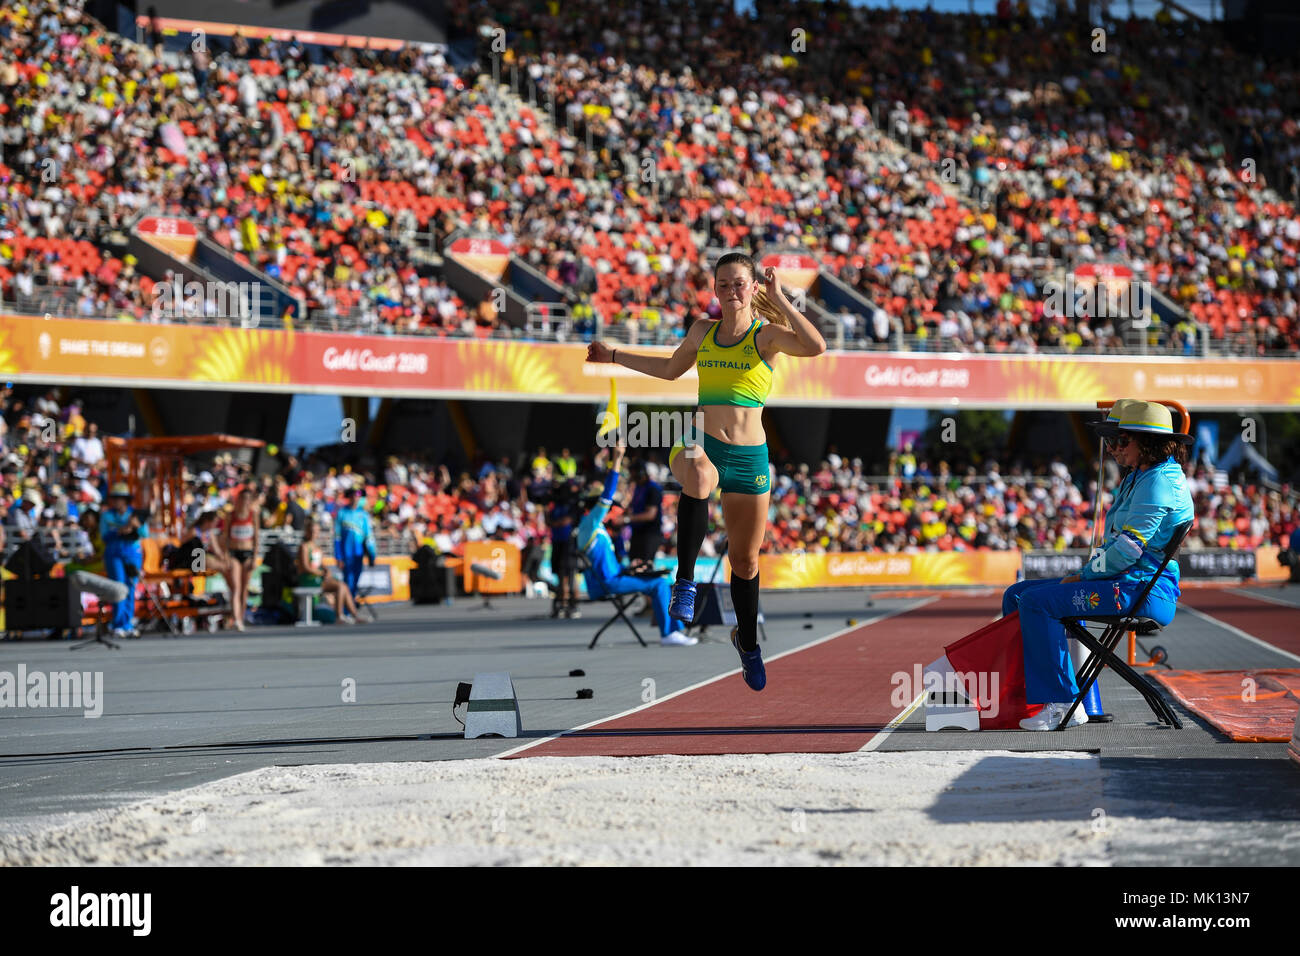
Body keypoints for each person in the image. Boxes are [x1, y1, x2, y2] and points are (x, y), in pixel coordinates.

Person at [586, 252, 825, 689]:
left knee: (745, 560)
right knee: (697, 475)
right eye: (724, 284)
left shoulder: (768, 335)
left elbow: (815, 346)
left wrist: (782, 299)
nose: (731, 291)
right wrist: (615, 354)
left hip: (749, 459)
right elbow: (670, 369)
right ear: (714, 289)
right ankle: (685, 582)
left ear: (754, 288)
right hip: (701, 442)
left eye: (740, 284)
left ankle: (748, 643)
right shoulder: (703, 331)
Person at [1001, 401, 1194, 730]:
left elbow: (1128, 548)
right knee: (1016, 594)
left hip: (1139, 591)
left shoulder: (1159, 481)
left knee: (1035, 602)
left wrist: (1083, 575)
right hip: (1126, 583)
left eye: (1121, 441)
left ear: (1147, 443)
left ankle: (1062, 704)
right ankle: (1025, 695)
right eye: (1110, 441)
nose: (1113, 448)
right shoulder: (1142, 475)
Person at [575, 445, 697, 647]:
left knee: (659, 578)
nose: (608, 507)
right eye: (602, 505)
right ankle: (668, 634)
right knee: (658, 585)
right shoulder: (589, 525)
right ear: (593, 505)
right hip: (605, 584)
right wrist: (617, 458)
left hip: (612, 577)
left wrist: (631, 569)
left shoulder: (595, 528)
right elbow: (607, 493)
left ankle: (674, 631)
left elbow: (607, 566)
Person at [100, 483, 148, 639]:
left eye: (120, 499)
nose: (117, 502)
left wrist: (135, 526)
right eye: (115, 499)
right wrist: (119, 531)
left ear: (126, 500)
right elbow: (104, 536)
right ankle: (118, 623)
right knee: (118, 587)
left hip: (132, 554)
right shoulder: (107, 516)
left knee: (130, 587)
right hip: (114, 553)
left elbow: (144, 533)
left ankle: (127, 623)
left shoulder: (134, 514)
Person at [188, 511, 245, 630]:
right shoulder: (194, 531)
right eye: (214, 522)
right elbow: (186, 549)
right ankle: (234, 593)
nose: (216, 525)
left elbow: (217, 551)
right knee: (217, 563)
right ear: (208, 521)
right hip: (195, 560)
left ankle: (234, 595)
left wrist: (226, 560)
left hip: (206, 559)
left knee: (230, 567)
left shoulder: (210, 533)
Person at [297, 517, 359, 623]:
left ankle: (354, 615)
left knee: (343, 586)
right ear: (307, 532)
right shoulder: (304, 547)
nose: (313, 534)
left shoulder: (317, 547)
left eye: (316, 531)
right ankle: (339, 615)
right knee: (340, 586)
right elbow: (305, 567)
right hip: (308, 579)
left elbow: (320, 564)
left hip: (318, 577)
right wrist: (321, 573)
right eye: (311, 531)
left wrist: (326, 570)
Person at [223, 488, 259, 631]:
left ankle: (241, 616)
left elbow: (256, 536)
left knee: (244, 589)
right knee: (236, 587)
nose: (245, 502)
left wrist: (255, 557)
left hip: (248, 553)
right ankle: (236, 618)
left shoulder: (253, 514)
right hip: (234, 553)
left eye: (247, 499)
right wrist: (226, 554)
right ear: (238, 500)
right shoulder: (230, 515)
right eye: (242, 499)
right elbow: (225, 536)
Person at [546, 477, 581, 618]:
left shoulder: (573, 504)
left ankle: (572, 604)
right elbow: (549, 520)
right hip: (557, 541)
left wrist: (556, 523)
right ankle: (562, 602)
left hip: (569, 542)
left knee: (570, 574)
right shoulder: (555, 504)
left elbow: (568, 520)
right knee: (560, 575)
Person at [334, 485, 377, 602]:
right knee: (348, 581)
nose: (355, 498)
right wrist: (338, 556)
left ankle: (350, 605)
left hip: (358, 554)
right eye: (353, 495)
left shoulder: (363, 515)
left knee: (355, 580)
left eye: (357, 495)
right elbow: (337, 537)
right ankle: (347, 610)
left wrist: (372, 554)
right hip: (346, 555)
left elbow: (369, 537)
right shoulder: (342, 513)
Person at [624, 459, 664, 568]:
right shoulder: (638, 487)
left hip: (650, 534)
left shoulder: (653, 489)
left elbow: (650, 515)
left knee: (645, 566)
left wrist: (627, 519)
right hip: (637, 532)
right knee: (633, 564)